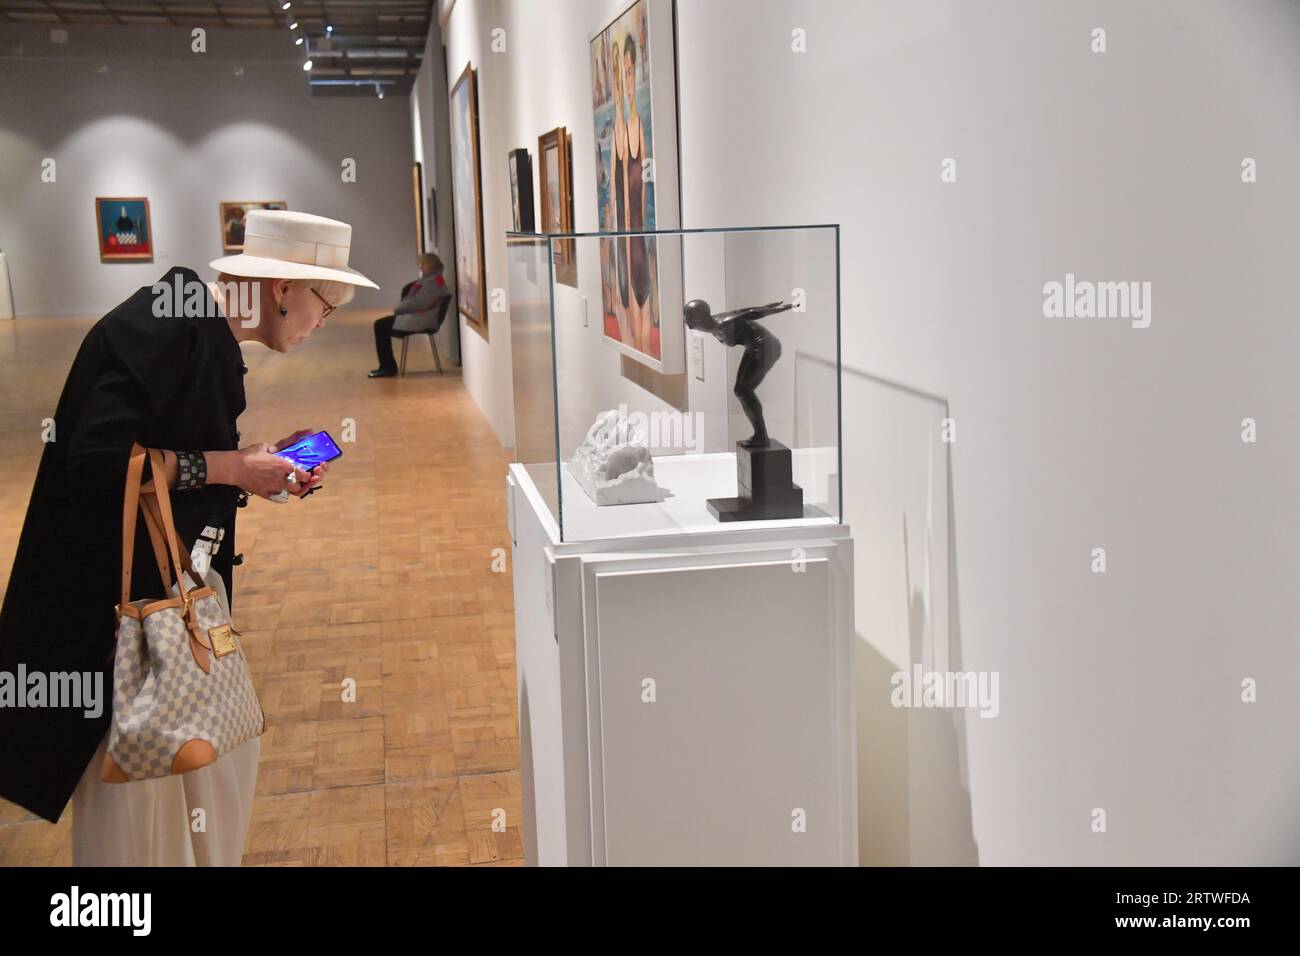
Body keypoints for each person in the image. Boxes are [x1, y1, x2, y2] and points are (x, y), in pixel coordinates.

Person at [0, 209, 378, 865]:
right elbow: (98, 464)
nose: (326, 321)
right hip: (125, 626)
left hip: (165, 611)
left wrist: (254, 468)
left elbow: (169, 458)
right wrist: (234, 466)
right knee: (145, 819)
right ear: (281, 287)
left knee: (204, 785)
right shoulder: (167, 324)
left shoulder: (198, 331)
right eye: (325, 301)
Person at [368, 252, 450, 378]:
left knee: (380, 325)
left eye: (423, 264)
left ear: (431, 265)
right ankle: (387, 366)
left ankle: (388, 367)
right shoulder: (431, 280)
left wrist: (399, 309)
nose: (420, 267)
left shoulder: (432, 282)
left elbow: (419, 303)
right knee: (381, 325)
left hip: (423, 319)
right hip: (422, 317)